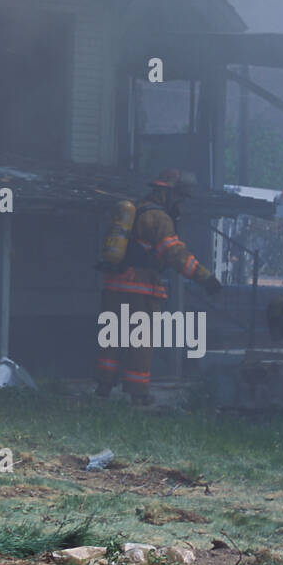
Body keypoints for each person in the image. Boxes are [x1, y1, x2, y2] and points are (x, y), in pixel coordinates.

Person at [97, 168, 221, 403]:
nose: (181, 205)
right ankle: (138, 393)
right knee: (140, 341)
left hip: (114, 285)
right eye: (180, 198)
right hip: (141, 288)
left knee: (111, 338)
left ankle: (103, 386)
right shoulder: (160, 218)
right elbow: (174, 254)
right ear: (167, 193)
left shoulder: (134, 210)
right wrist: (206, 278)